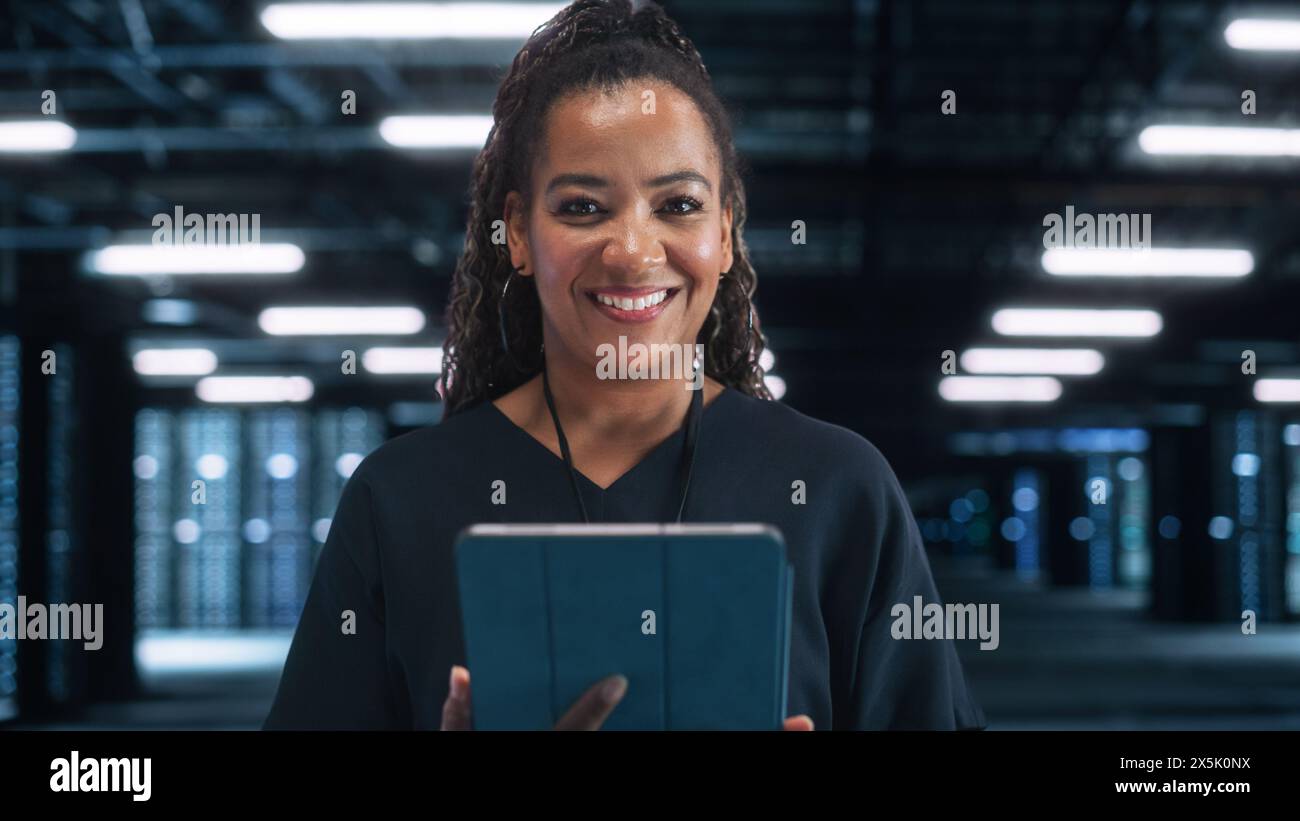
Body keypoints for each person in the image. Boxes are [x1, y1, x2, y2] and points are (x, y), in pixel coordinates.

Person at [264, 0, 985, 731]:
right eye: (582, 206)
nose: (633, 252)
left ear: (726, 235)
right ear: (516, 232)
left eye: (677, 204)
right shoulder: (398, 501)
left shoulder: (842, 489)